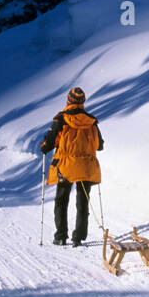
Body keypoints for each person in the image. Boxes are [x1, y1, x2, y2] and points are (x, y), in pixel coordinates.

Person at [40, 87, 104, 246]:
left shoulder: (61, 119)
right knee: (82, 201)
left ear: (68, 101)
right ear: (83, 102)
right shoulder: (91, 122)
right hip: (86, 166)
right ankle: (79, 236)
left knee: (61, 200)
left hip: (65, 167)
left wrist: (44, 145)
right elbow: (99, 145)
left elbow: (48, 144)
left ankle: (61, 236)